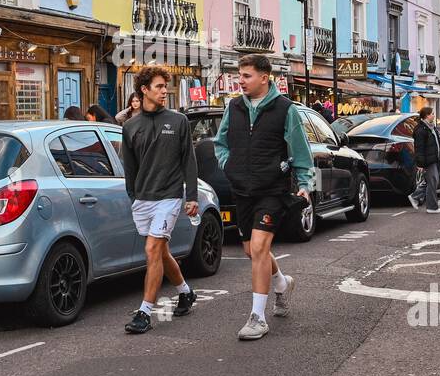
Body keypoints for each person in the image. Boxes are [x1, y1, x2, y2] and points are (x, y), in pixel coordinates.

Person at [214, 53, 313, 340]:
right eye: (239, 75)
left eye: (246, 76)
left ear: (263, 77)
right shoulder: (233, 107)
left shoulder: (285, 109)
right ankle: (281, 283)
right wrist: (227, 164)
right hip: (243, 189)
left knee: (258, 247)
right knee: (249, 250)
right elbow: (220, 143)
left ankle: (258, 318)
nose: (240, 81)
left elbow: (300, 150)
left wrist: (305, 182)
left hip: (273, 189)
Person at [119, 68, 199, 334]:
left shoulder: (178, 122)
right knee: (161, 253)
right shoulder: (130, 126)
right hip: (142, 199)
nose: (165, 90)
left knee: (153, 250)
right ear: (144, 90)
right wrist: (133, 196)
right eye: (160, 86)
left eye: (166, 86)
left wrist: (192, 197)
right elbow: (129, 168)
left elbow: (189, 159)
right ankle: (185, 292)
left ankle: (144, 312)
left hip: (169, 196)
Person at [408, 106, 440, 213]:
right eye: (432, 113)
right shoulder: (421, 130)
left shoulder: (430, 127)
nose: (434, 115)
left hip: (433, 158)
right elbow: (419, 148)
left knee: (430, 181)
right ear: (427, 115)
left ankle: (415, 196)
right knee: (433, 181)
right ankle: (432, 207)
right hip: (428, 160)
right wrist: (420, 163)